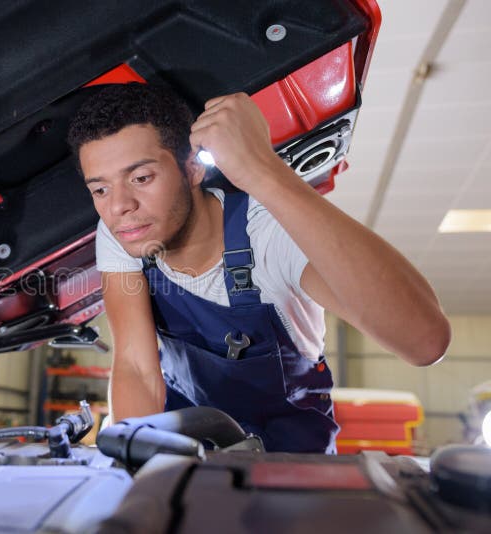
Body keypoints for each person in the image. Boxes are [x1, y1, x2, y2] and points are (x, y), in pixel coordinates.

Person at [66, 83, 451, 453]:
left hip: (292, 474)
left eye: (142, 178)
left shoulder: (269, 235)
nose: (119, 206)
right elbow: (136, 366)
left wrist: (263, 169)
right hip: (193, 459)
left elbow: (425, 342)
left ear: (192, 169)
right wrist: (135, 469)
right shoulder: (124, 231)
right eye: (100, 189)